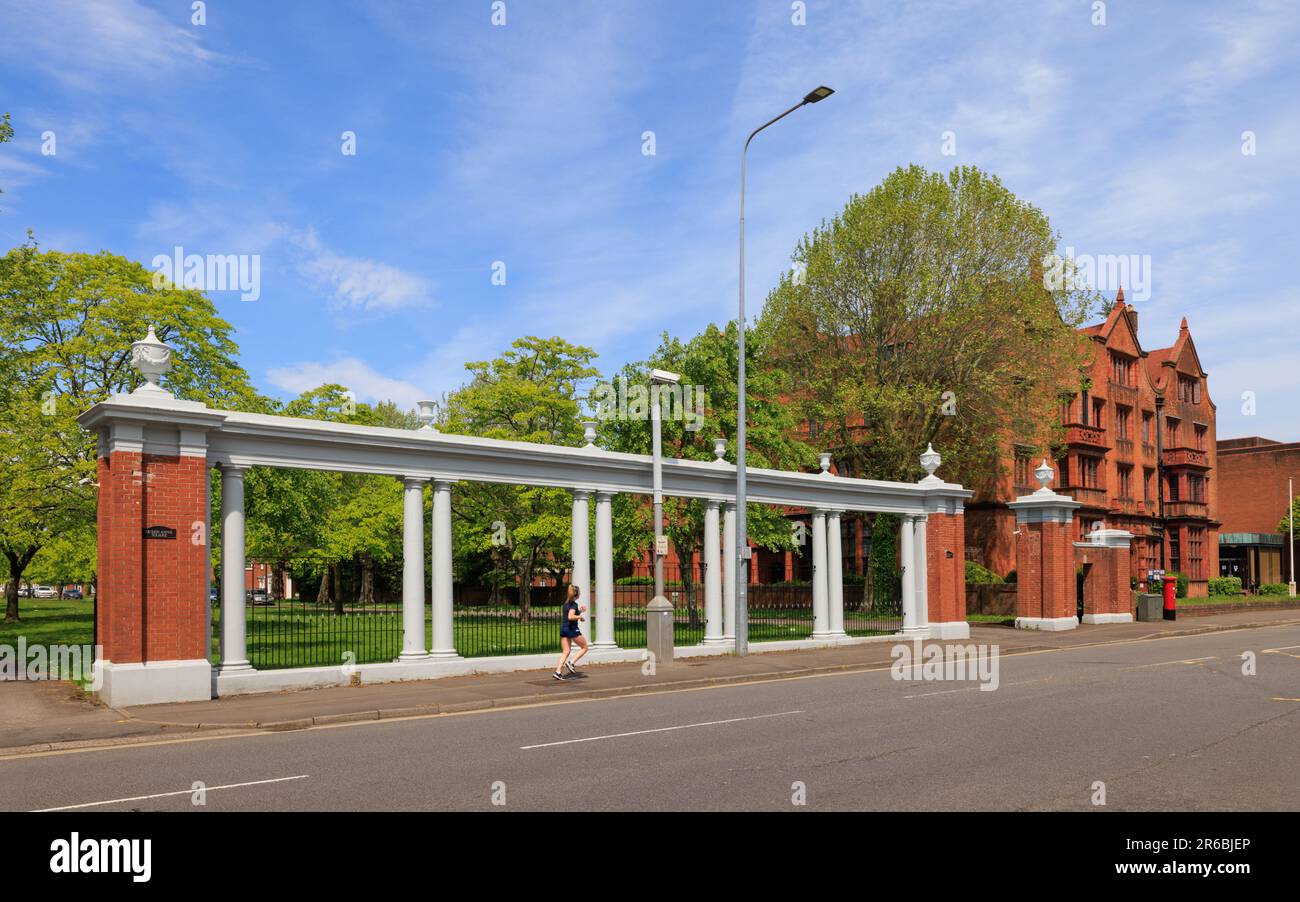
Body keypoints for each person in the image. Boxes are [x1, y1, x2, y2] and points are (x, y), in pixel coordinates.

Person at [554, 584, 590, 680]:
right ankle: (571, 662)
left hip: (564, 629)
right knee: (585, 647)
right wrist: (580, 617)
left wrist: (579, 611)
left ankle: (558, 672)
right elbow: (570, 617)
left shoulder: (566, 604)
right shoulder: (574, 604)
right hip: (571, 629)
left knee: (566, 651)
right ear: (576, 594)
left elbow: (570, 614)